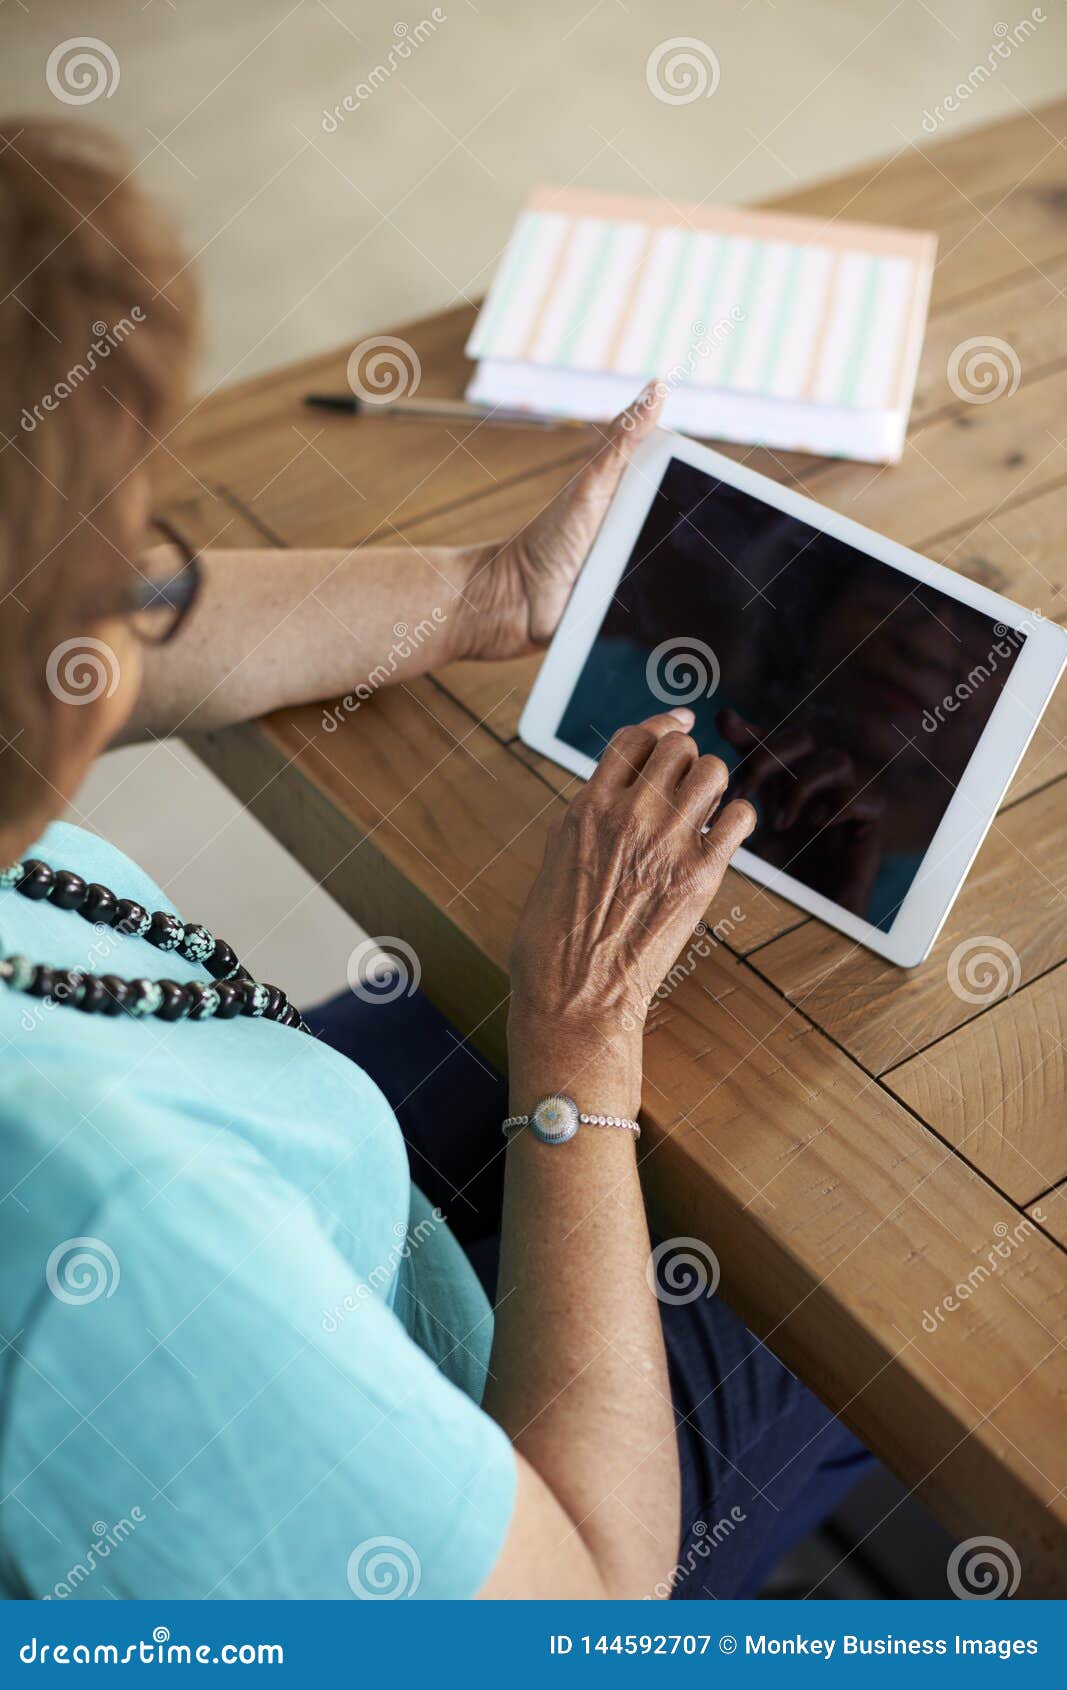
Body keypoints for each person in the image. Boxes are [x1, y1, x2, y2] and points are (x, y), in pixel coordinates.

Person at [0, 119, 869, 1602]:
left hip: (271, 1142)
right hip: (476, 1491)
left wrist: (486, 593)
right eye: (128, 575)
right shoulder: (111, 1245)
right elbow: (579, 1603)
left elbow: (98, 643)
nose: (150, 613)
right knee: (851, 1280)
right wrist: (579, 1050)